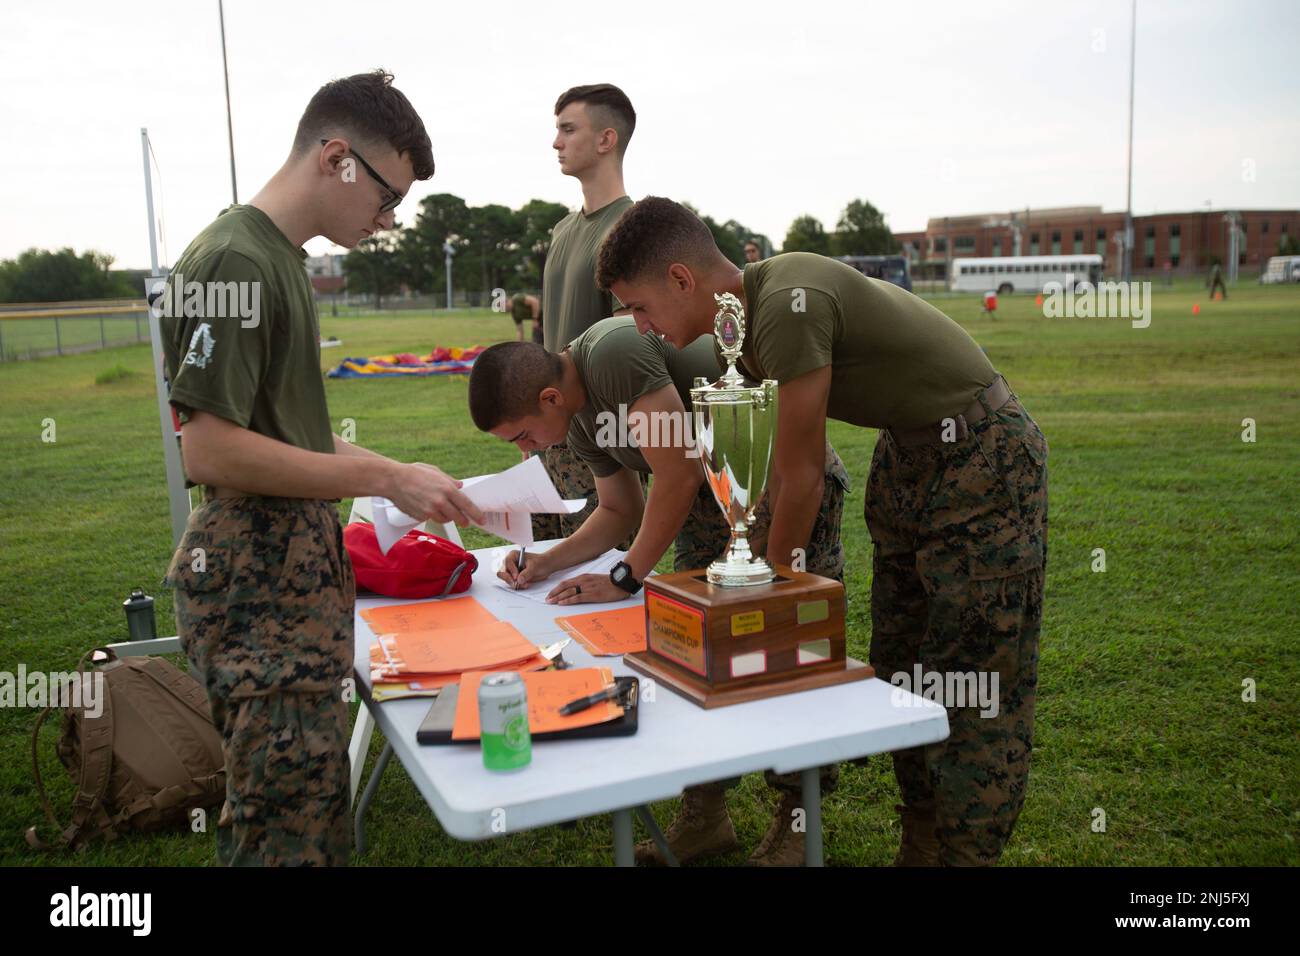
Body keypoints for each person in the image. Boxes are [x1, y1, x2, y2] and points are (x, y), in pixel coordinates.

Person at [596, 197, 1048, 867]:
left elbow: (803, 476)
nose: (640, 325)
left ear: (681, 280)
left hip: (980, 455)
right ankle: (922, 842)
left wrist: (766, 598)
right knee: (904, 666)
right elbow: (776, 473)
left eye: (638, 306)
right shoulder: (740, 333)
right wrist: (746, 563)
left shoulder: (785, 304)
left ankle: (962, 857)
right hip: (908, 458)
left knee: (976, 670)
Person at [159, 70, 483, 866]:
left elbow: (293, 433)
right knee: (282, 837)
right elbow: (209, 448)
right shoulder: (234, 261)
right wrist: (381, 480)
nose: (387, 220)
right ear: (336, 158)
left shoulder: (277, 260)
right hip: (254, 579)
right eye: (386, 196)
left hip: (290, 573)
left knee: (309, 817)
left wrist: (400, 469)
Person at [467, 317, 849, 866]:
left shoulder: (611, 354)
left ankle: (795, 818)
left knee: (782, 653)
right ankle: (705, 813)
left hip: (775, 486)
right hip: (707, 504)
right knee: (692, 652)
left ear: (549, 396)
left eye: (522, 435)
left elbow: (678, 470)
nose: (526, 450)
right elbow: (621, 509)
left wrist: (626, 576)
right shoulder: (576, 418)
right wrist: (547, 562)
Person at [533, 84, 637, 544]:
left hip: (597, 439)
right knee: (540, 569)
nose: (557, 142)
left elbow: (630, 349)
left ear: (605, 140)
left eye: (568, 129)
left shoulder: (632, 230)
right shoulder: (562, 230)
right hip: (547, 432)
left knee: (594, 579)